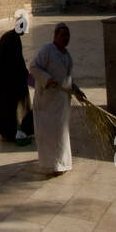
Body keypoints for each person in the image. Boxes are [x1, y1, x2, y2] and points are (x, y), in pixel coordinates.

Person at [29, 22, 77, 176]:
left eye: (67, 36)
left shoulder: (67, 56)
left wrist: (75, 89)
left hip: (61, 103)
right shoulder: (47, 51)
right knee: (49, 134)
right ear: (55, 36)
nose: (65, 38)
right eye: (62, 35)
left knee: (60, 134)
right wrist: (47, 79)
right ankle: (50, 166)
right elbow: (34, 67)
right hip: (47, 101)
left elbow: (67, 78)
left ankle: (62, 163)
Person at [0, 28, 33, 144]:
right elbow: (17, 61)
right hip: (10, 80)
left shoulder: (8, 36)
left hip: (4, 79)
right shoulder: (13, 39)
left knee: (6, 106)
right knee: (15, 106)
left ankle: (9, 132)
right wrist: (27, 78)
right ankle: (13, 132)